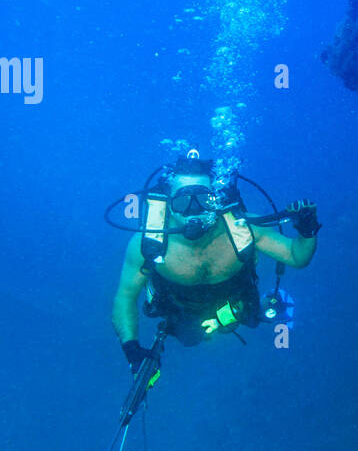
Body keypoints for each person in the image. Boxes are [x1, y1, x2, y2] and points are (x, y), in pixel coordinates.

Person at [112, 155, 319, 366]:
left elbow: (296, 257)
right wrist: (132, 350)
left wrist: (307, 229)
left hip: (237, 299)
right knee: (189, 338)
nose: (194, 210)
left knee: (251, 317)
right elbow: (125, 298)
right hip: (181, 308)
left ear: (217, 198)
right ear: (168, 204)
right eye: (183, 201)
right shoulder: (148, 243)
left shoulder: (243, 229)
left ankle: (262, 307)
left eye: (203, 199)